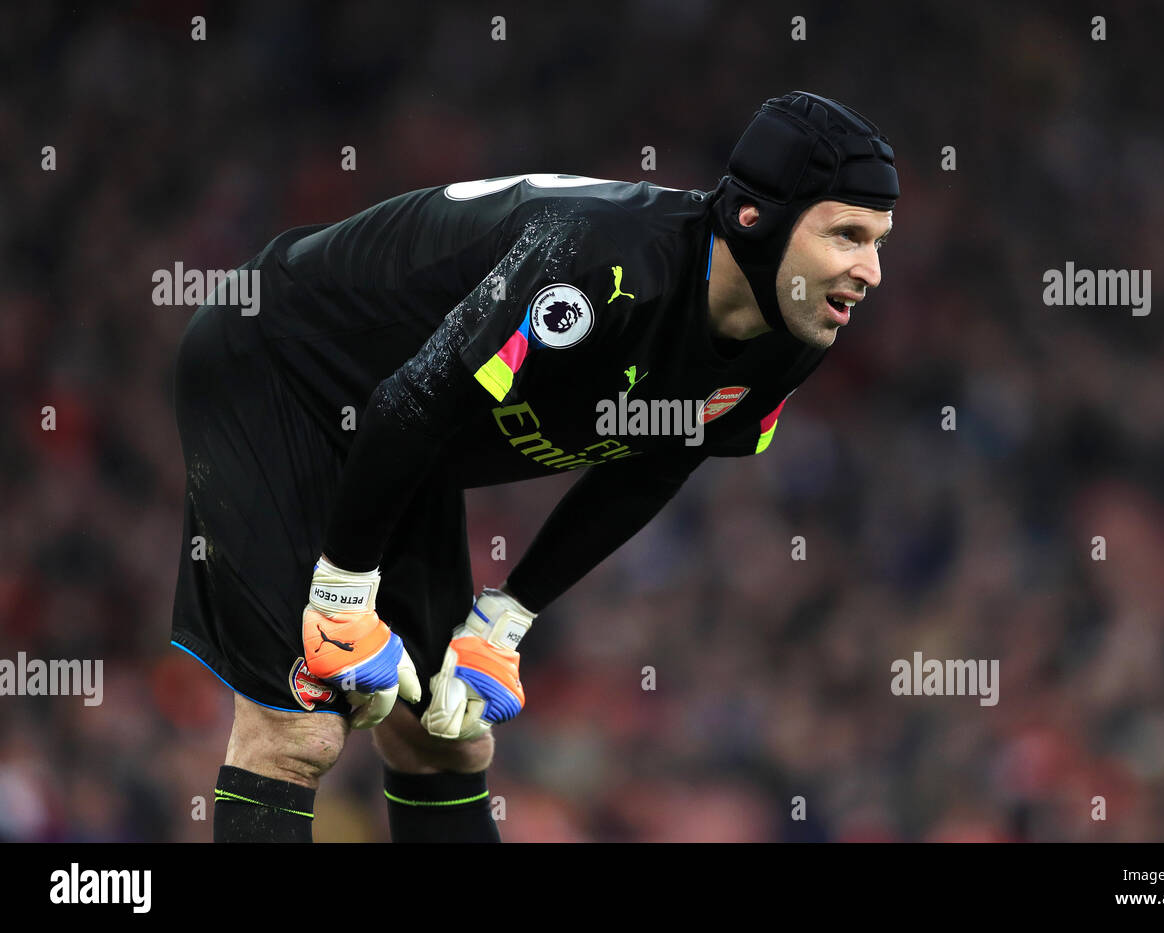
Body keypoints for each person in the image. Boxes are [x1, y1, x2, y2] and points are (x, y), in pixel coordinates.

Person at [170, 90, 898, 842]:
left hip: (404, 436)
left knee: (446, 742)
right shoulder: (595, 263)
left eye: (879, 240)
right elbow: (410, 401)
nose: (870, 270)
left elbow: (655, 463)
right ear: (755, 218)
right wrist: (342, 592)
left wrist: (507, 617)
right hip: (271, 365)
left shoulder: (793, 337)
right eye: (847, 234)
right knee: (298, 736)